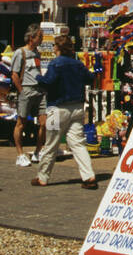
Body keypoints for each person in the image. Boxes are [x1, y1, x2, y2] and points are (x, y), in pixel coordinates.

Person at [33, 35, 99, 190]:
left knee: (51, 144)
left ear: (58, 48)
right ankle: (89, 176)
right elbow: (90, 78)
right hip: (77, 107)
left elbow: (48, 82)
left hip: (56, 108)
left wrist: (37, 77)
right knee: (78, 143)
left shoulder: (55, 63)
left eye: (55, 45)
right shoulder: (78, 64)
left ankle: (42, 177)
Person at [11, 25, 46, 167]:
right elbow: (14, 74)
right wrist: (21, 91)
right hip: (26, 89)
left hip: (40, 90)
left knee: (44, 122)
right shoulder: (21, 53)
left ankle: (38, 151)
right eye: (40, 36)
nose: (42, 39)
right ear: (31, 38)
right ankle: (20, 154)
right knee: (21, 123)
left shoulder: (37, 53)